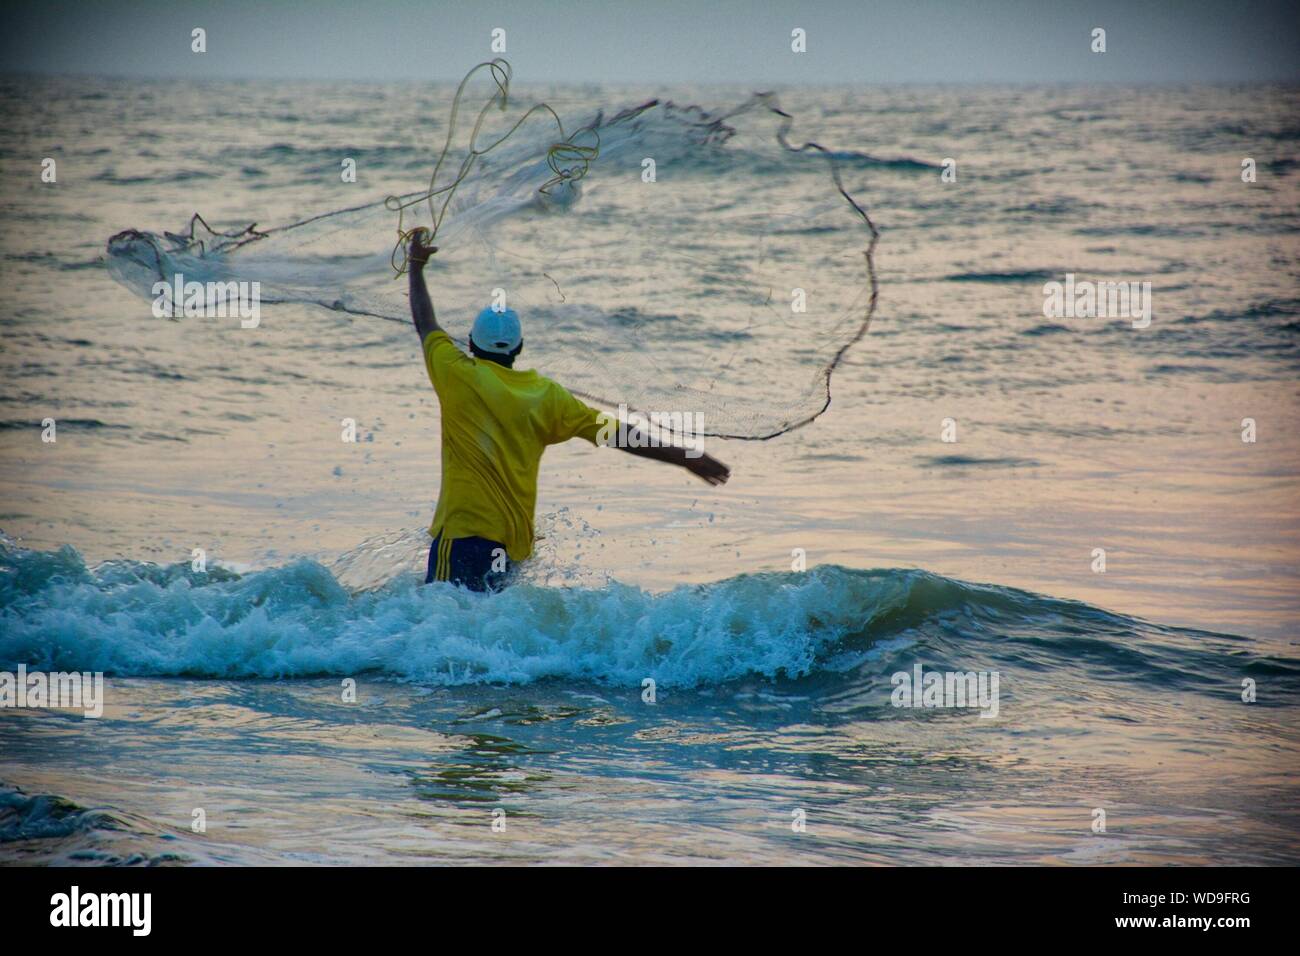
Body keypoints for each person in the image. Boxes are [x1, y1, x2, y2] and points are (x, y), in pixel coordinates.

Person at [405, 229, 730, 592]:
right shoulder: (548, 396)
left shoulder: (454, 373)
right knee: (489, 633)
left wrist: (416, 266)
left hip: (462, 533)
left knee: (442, 628)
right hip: (511, 547)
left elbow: (425, 323)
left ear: (469, 343)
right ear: (520, 347)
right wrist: (687, 456)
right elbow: (618, 434)